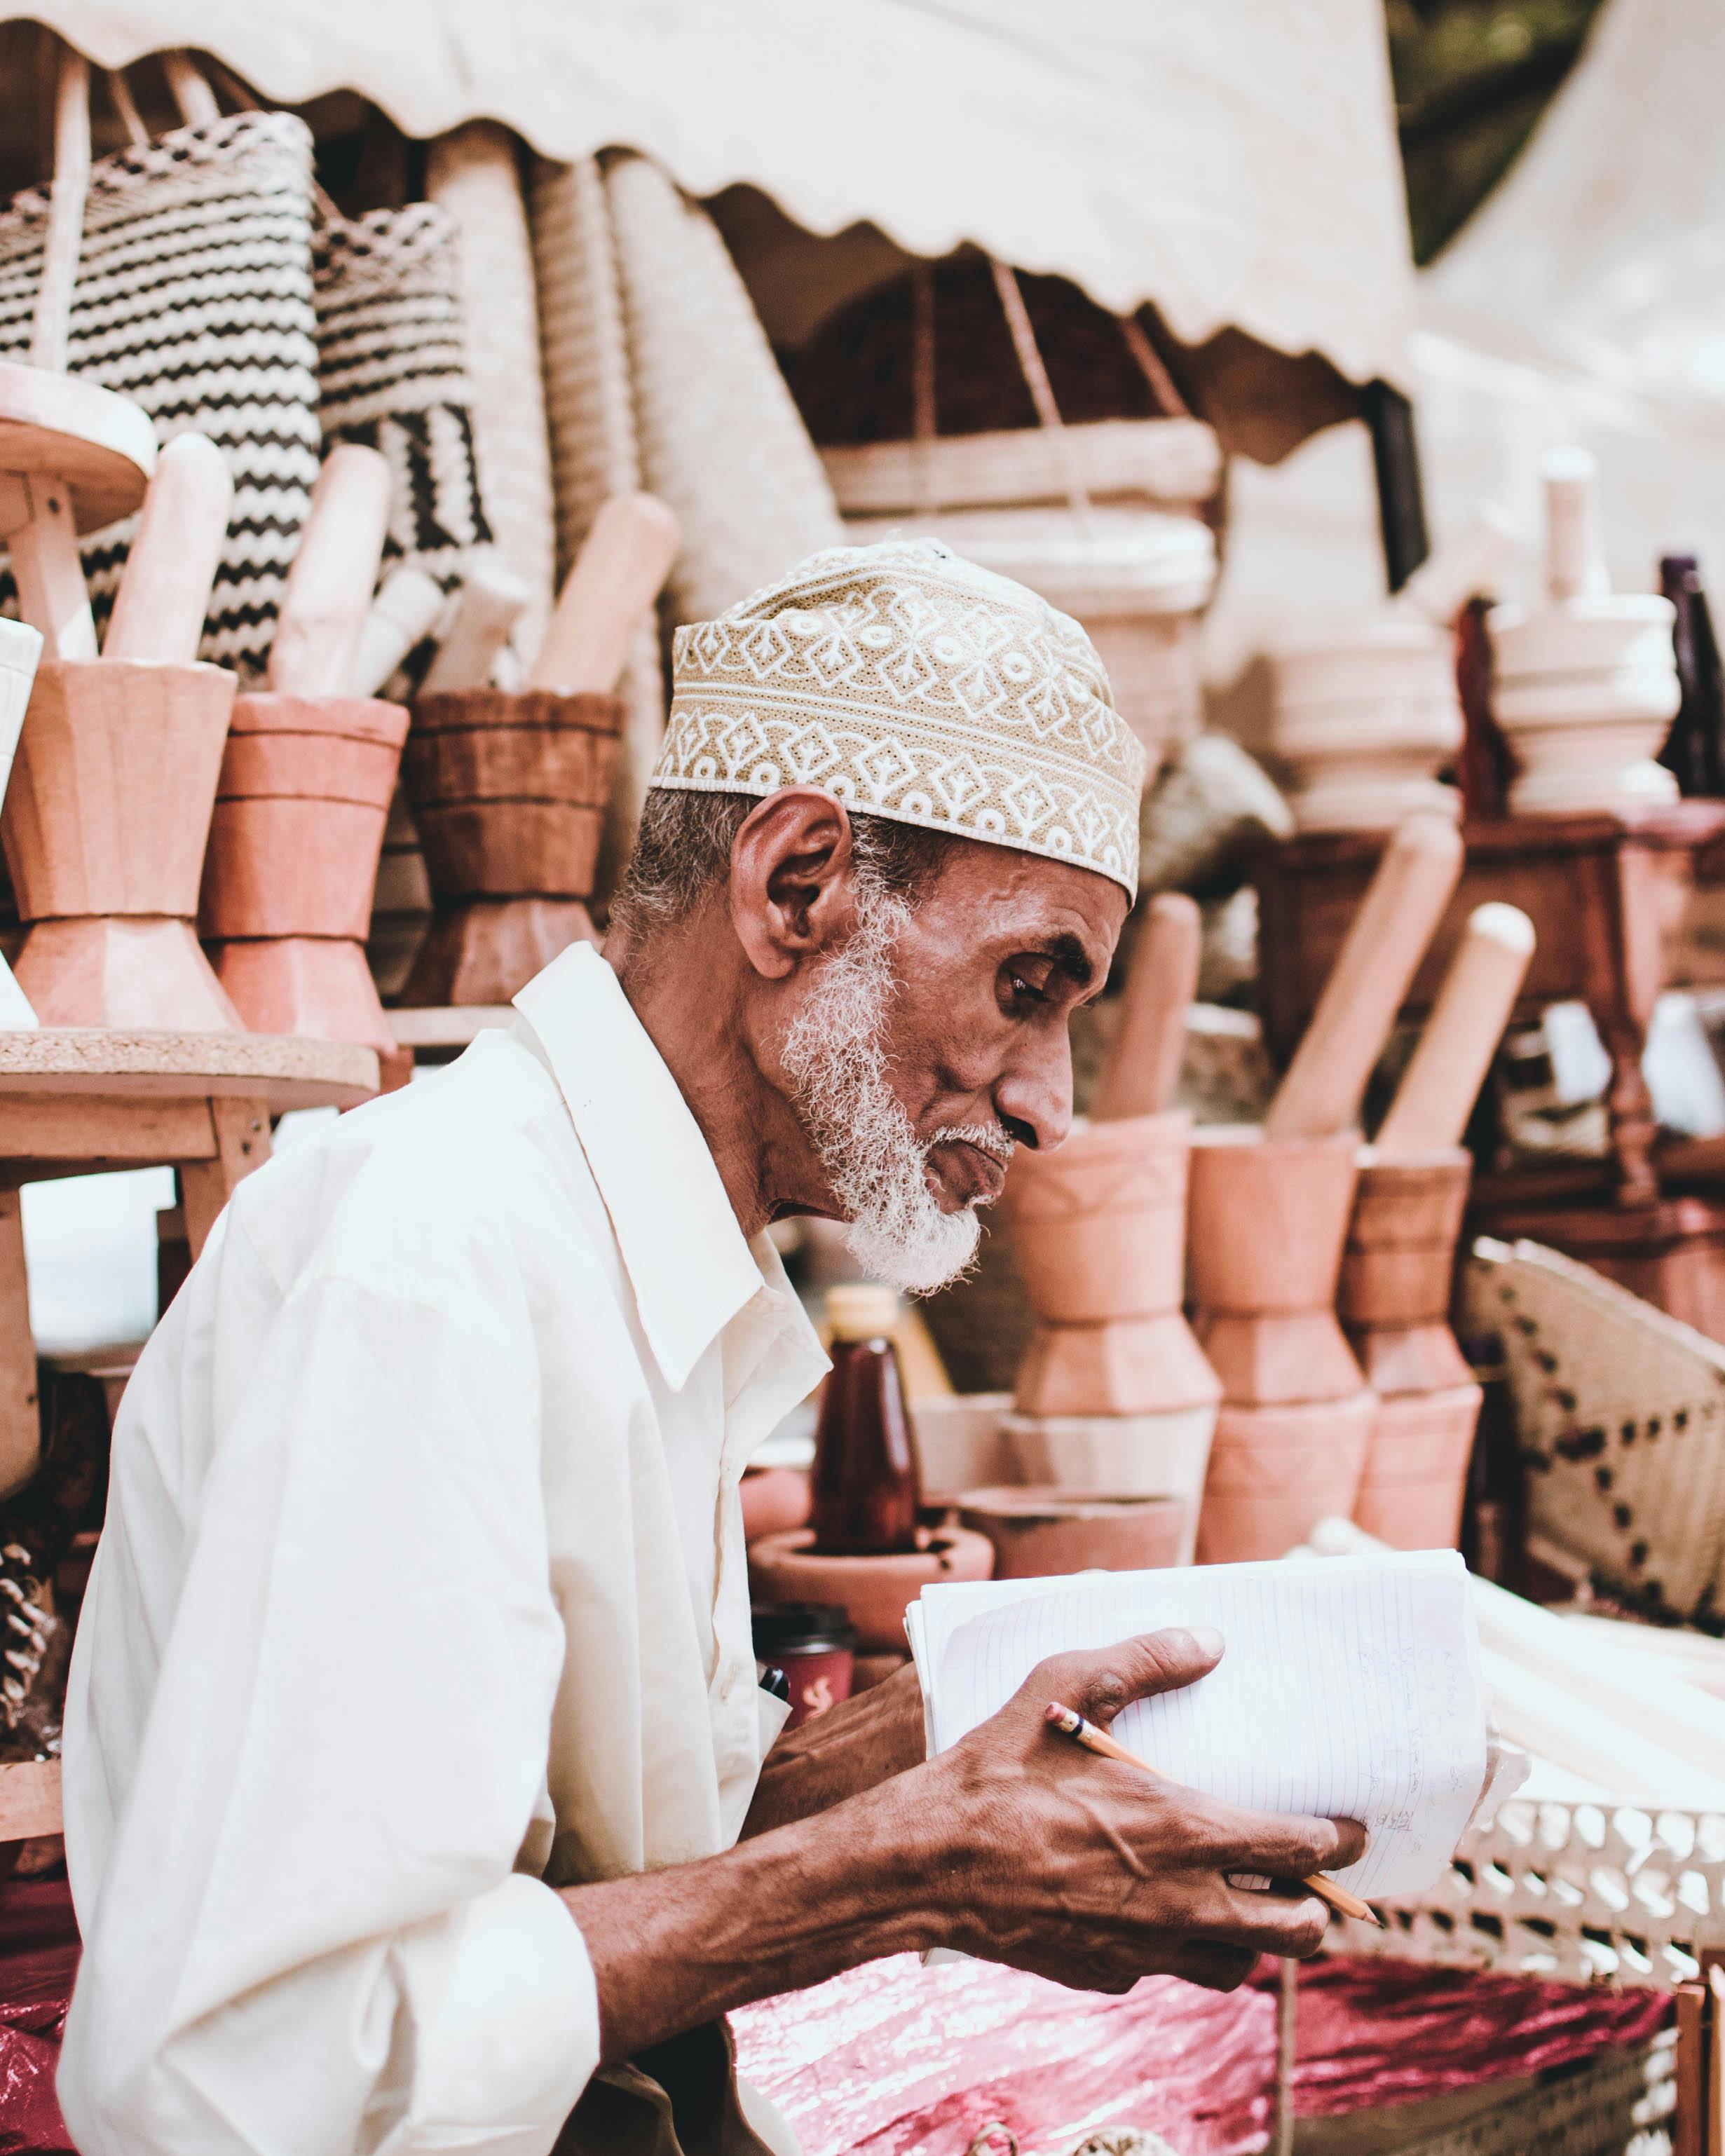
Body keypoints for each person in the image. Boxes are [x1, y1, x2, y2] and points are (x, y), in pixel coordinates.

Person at [57, 540, 1362, 2156]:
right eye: (1028, 984)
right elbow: (243, 2074)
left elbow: (584, 1871)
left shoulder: (646, 1269)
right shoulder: (429, 1266)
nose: (1049, 1098)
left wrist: (924, 1747)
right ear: (794, 884)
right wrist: (911, 1864)